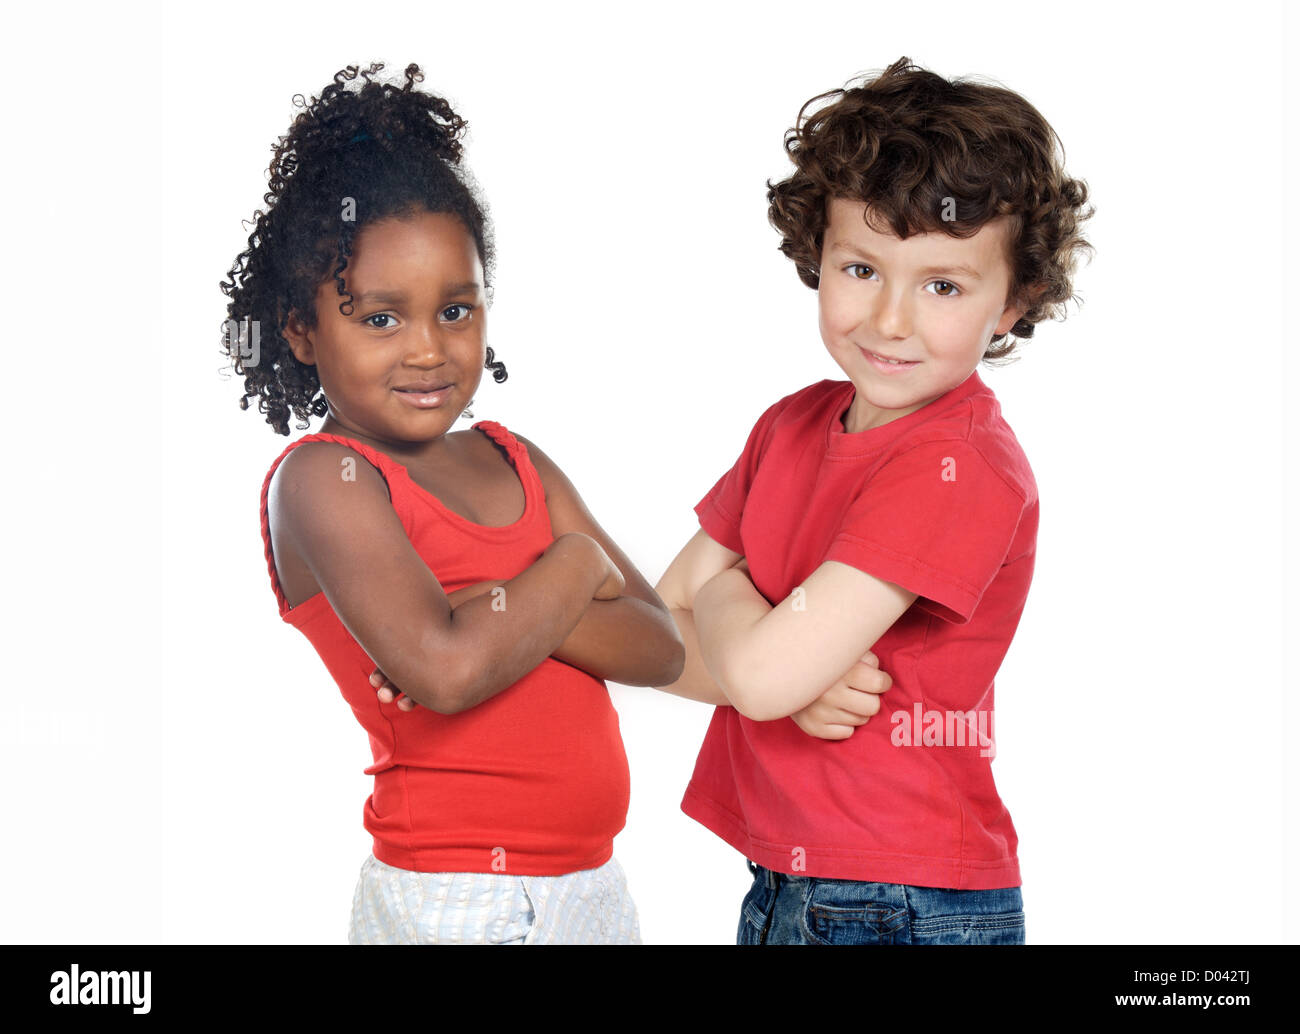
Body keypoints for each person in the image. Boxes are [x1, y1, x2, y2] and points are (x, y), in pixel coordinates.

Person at [222, 61, 683, 944]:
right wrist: (575, 571)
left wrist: (494, 613)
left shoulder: (518, 459)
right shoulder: (325, 479)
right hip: (457, 899)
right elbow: (446, 673)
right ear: (300, 330)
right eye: (380, 319)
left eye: (457, 311)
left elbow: (660, 647)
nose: (429, 351)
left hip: (592, 887)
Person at [653, 56, 1093, 944]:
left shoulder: (959, 464)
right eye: (860, 268)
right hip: (791, 879)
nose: (890, 319)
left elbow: (760, 667)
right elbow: (656, 623)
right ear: (816, 253)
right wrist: (768, 676)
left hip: (900, 898)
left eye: (943, 285)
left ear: (1016, 301)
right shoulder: (790, 428)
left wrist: (745, 623)